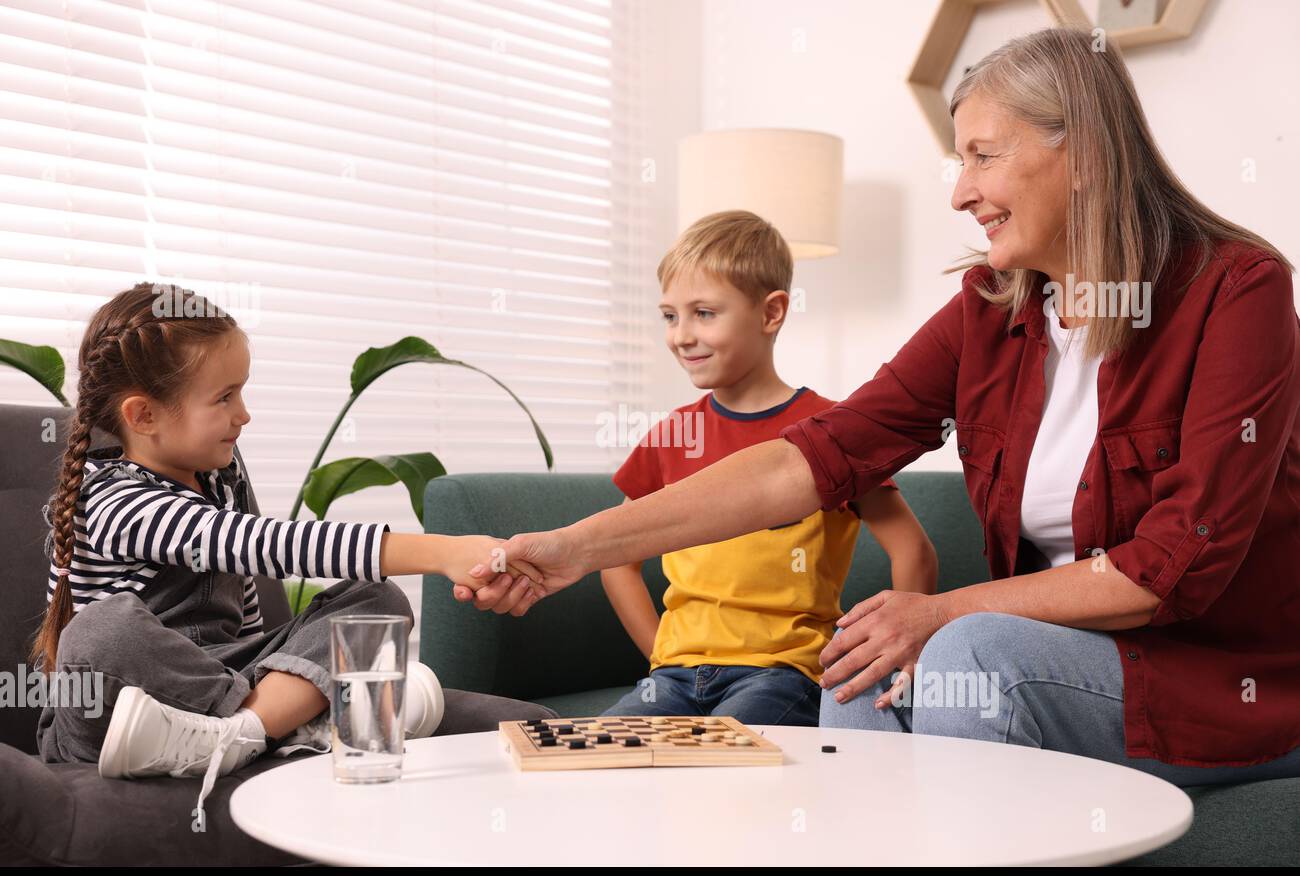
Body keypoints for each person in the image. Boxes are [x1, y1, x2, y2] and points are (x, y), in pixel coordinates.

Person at [455, 28, 1300, 787]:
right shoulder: (990, 310)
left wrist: (939, 612)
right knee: (863, 668)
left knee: (964, 645)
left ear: (1081, 154)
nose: (960, 192)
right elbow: (810, 458)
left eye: (982, 156)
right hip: (1059, 661)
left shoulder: (1238, 292)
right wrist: (571, 547)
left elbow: (1173, 564)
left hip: (1212, 685)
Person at [33, 282, 543, 818]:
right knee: (97, 634)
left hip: (227, 685)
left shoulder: (220, 474)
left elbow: (247, 617)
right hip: (120, 710)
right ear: (144, 416)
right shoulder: (113, 500)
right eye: (224, 397)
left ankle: (243, 734)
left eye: (241, 392)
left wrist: (266, 678)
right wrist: (440, 552)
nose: (243, 414)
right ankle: (292, 726)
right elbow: (267, 545)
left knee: (376, 597)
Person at [599, 210, 936, 726]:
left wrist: (904, 653)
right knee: (600, 754)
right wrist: (659, 654)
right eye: (670, 316)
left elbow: (912, 549)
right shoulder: (673, 434)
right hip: (672, 675)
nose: (681, 336)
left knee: (736, 762)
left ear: (772, 312)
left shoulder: (831, 431)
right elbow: (615, 557)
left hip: (783, 673)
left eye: (704, 313)